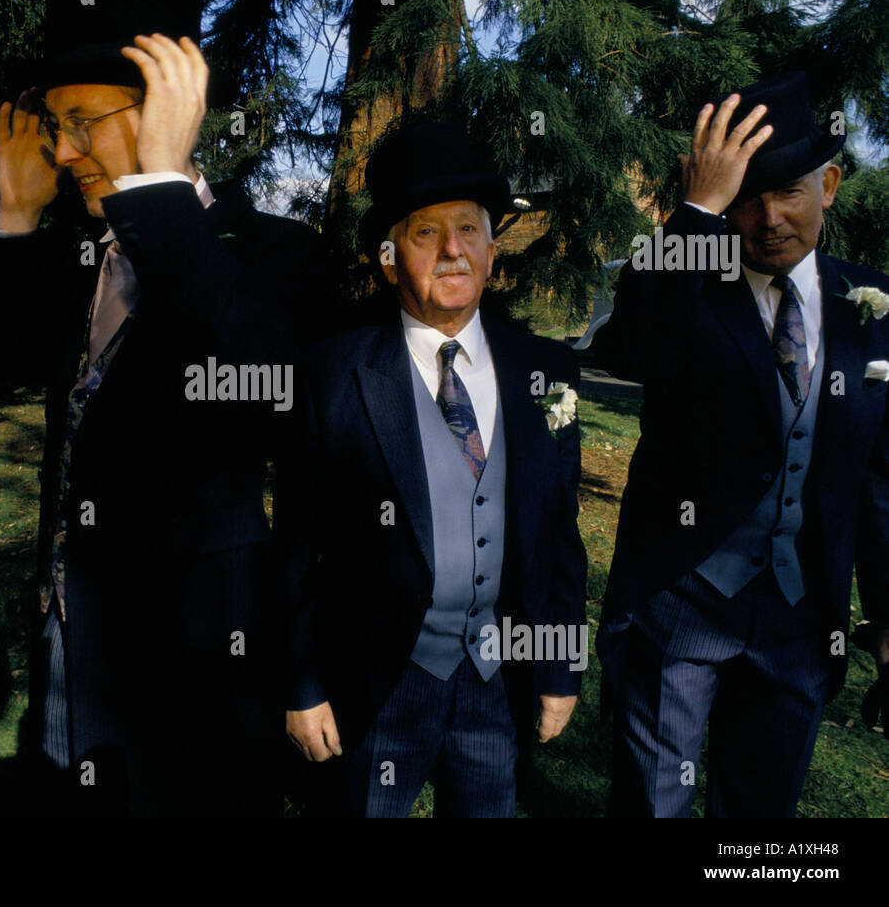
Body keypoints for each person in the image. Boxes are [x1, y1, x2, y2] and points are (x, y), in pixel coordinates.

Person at [0, 0, 331, 816]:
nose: (61, 150)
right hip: (66, 635)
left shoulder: (274, 255)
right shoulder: (71, 255)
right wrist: (13, 220)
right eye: (55, 125)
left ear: (168, 107)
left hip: (195, 651)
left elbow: (251, 391)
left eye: (83, 122)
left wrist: (161, 188)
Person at [593, 71, 889, 817]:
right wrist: (696, 211)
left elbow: (879, 482)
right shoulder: (691, 281)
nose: (767, 218)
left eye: (789, 190)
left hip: (801, 619)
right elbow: (625, 345)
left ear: (831, 182)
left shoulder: (874, 310)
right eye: (746, 196)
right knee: (651, 807)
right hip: (680, 603)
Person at [280, 121, 587, 817]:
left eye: (469, 230)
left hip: (495, 683)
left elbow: (558, 537)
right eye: (426, 234)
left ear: (492, 246)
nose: (453, 250)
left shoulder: (548, 372)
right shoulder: (333, 375)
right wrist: (302, 687)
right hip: (380, 681)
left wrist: (561, 665)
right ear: (389, 259)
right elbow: (296, 549)